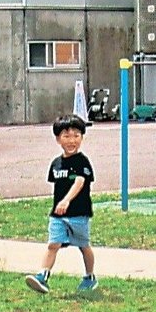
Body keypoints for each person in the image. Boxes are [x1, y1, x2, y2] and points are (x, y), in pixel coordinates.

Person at [24, 114, 97, 293]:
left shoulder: (82, 162)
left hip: (79, 213)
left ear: (82, 138)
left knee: (83, 246)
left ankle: (89, 277)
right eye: (66, 136)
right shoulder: (56, 164)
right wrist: (60, 203)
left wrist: (67, 200)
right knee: (53, 244)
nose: (72, 140)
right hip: (58, 215)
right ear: (58, 139)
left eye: (76, 136)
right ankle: (43, 276)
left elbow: (79, 182)